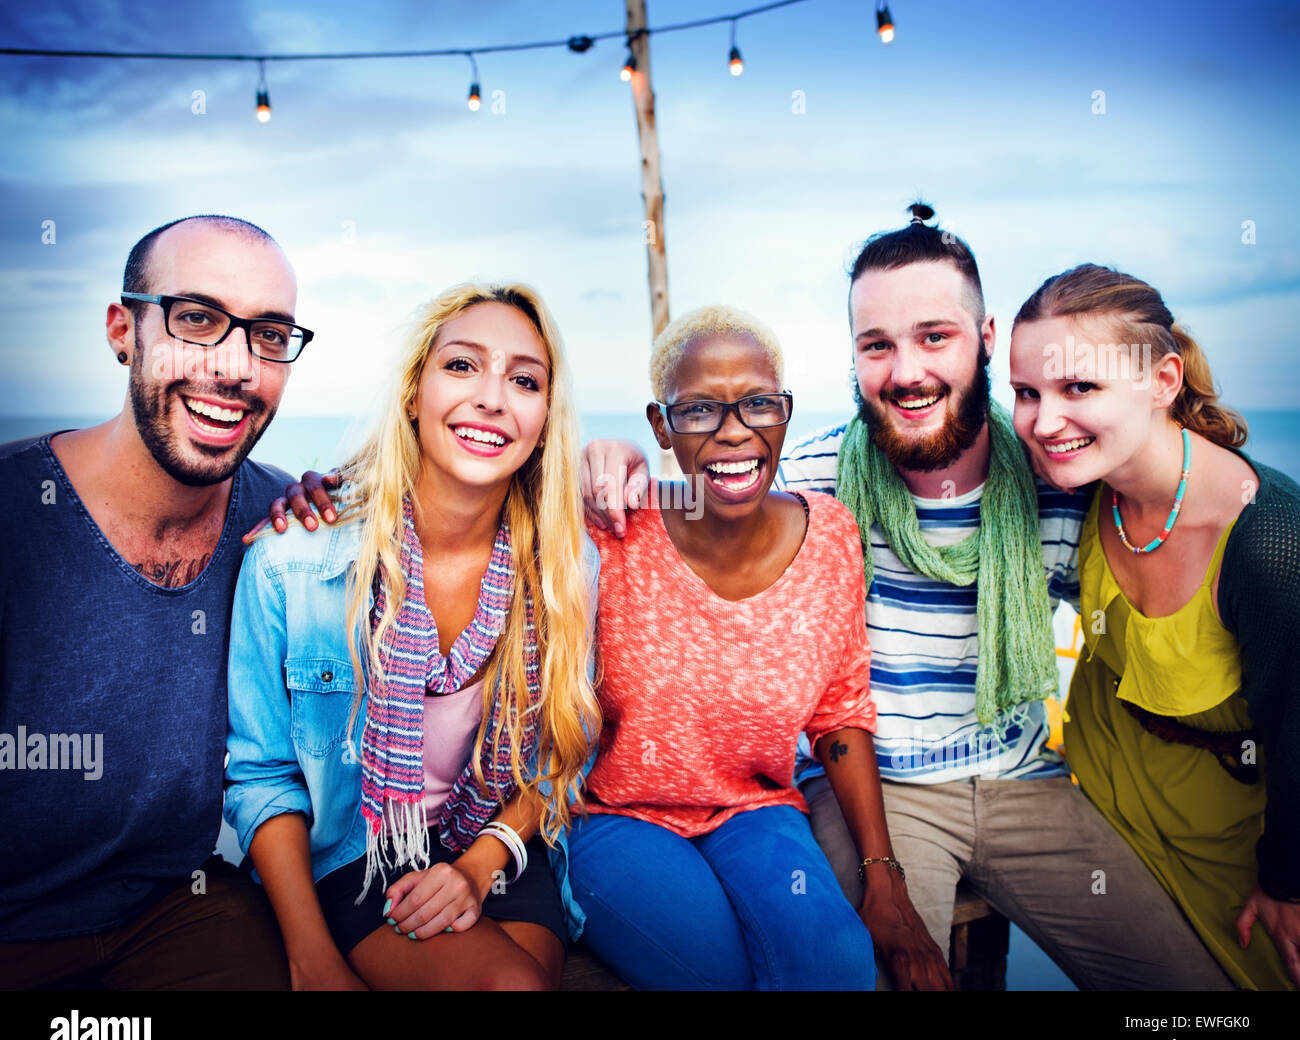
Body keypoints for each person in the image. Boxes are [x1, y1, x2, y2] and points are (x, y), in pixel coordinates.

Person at [579, 206, 1235, 990]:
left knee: (1198, 1003)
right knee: (862, 973)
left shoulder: (1060, 483)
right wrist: (611, 459)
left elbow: (1169, 565)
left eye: (935, 336)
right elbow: (714, 481)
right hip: (879, 797)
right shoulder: (812, 490)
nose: (906, 370)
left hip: (1027, 782)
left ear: (986, 339)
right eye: (877, 345)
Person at [223, 283, 600, 991]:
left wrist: (477, 864)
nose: (492, 397)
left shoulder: (566, 566)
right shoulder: (294, 561)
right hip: (356, 848)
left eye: (524, 380)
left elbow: (562, 750)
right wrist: (312, 959)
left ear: (545, 419)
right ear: (412, 394)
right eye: (462, 366)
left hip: (497, 835)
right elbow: (263, 777)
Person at [565, 304, 948, 990]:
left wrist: (883, 880)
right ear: (661, 427)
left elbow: (840, 713)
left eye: (757, 405)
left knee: (837, 964)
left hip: (755, 809)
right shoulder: (614, 530)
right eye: (699, 412)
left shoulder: (829, 534)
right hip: (611, 817)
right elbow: (502, 503)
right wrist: (587, 459)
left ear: (785, 413)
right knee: (720, 972)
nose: (734, 432)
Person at [0, 215, 302, 989]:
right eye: (195, 319)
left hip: (174, 906)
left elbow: (441, 510)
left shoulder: (287, 530)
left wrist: (608, 465)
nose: (235, 368)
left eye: (268, 335)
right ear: (121, 330)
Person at [1008, 263, 1300, 990]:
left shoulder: (1267, 543)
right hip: (1096, 812)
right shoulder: (1083, 489)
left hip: (1239, 848)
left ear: (1165, 381)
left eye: (1080, 388)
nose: (1045, 423)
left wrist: (1288, 882)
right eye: (1025, 392)